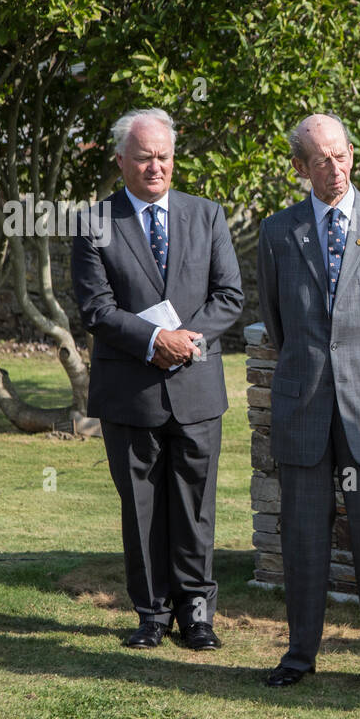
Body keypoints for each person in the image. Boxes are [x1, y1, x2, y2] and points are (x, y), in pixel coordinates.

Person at [71, 107, 244, 650]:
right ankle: (151, 614)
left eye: (164, 157)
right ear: (121, 159)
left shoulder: (208, 215)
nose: (155, 167)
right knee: (141, 506)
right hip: (132, 394)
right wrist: (152, 341)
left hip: (195, 388)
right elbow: (95, 309)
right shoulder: (94, 223)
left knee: (195, 507)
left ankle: (197, 616)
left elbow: (230, 297)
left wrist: (186, 341)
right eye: (144, 157)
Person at [257, 114, 360, 693]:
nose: (335, 168)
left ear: (353, 154)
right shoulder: (277, 234)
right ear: (300, 168)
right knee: (303, 537)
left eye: (342, 155)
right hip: (304, 407)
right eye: (321, 159)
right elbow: (278, 325)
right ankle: (300, 655)